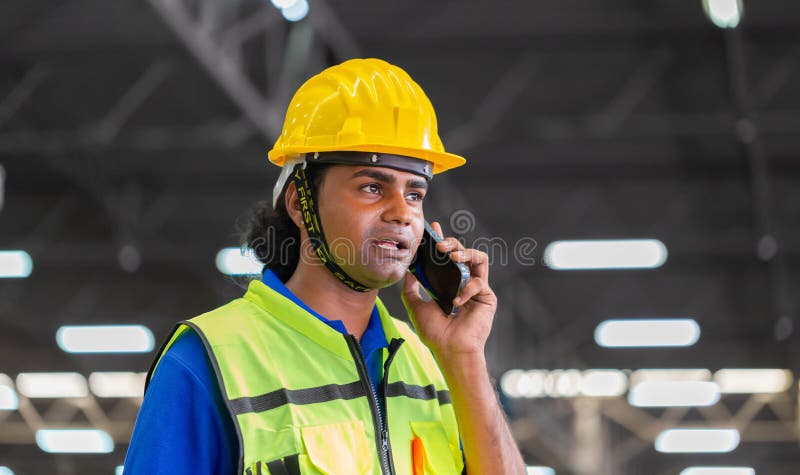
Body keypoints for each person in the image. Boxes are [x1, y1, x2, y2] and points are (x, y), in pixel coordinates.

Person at [124, 58, 525, 475]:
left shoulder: (431, 365)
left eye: (415, 194)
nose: (403, 213)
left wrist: (464, 357)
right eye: (372, 187)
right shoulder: (206, 362)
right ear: (300, 204)